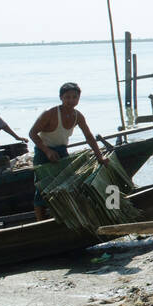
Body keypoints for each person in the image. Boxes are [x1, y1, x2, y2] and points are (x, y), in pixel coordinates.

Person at [29, 82, 106, 220]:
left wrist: (99, 157)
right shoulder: (50, 113)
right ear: (61, 98)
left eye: (74, 97)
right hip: (43, 152)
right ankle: (40, 222)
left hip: (61, 151)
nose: (71, 100)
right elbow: (32, 133)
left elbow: (89, 137)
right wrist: (47, 151)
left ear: (78, 98)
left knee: (66, 185)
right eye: (67, 97)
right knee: (41, 189)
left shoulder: (78, 116)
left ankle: (64, 215)